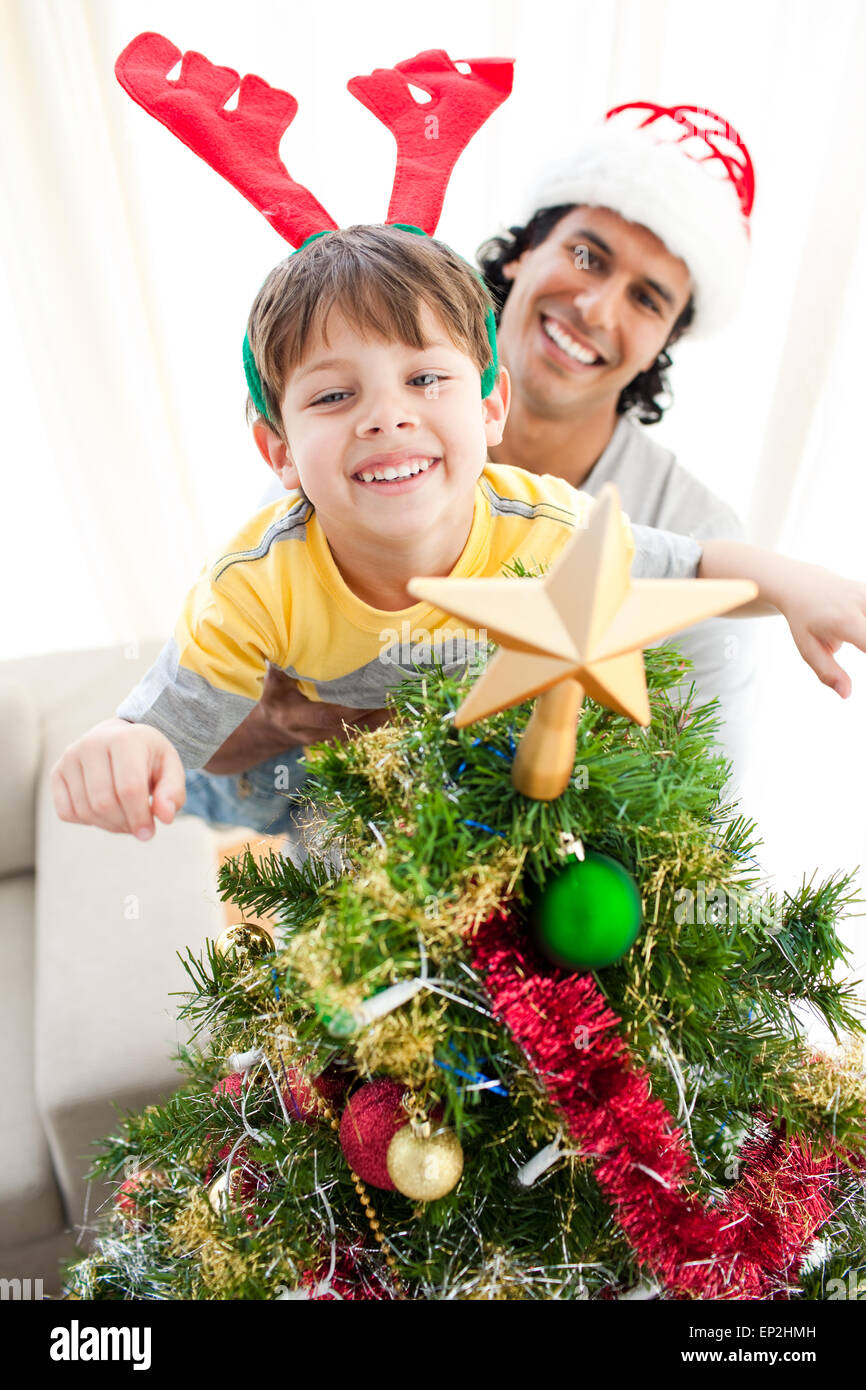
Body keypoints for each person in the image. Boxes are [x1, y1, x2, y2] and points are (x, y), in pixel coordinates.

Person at [50, 223, 866, 841]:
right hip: (335, 821)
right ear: (280, 452)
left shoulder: (542, 528)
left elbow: (691, 571)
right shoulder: (254, 584)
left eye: (426, 379)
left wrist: (799, 585)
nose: (386, 415)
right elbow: (170, 723)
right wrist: (120, 747)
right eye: (335, 397)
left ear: (489, 409)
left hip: (497, 814)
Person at [193, 104, 761, 833]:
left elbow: (703, 814)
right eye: (587, 255)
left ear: (665, 343)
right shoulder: (365, 447)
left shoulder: (695, 536)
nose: (595, 306)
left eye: (647, 299)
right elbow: (203, 756)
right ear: (524, 249)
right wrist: (280, 719)